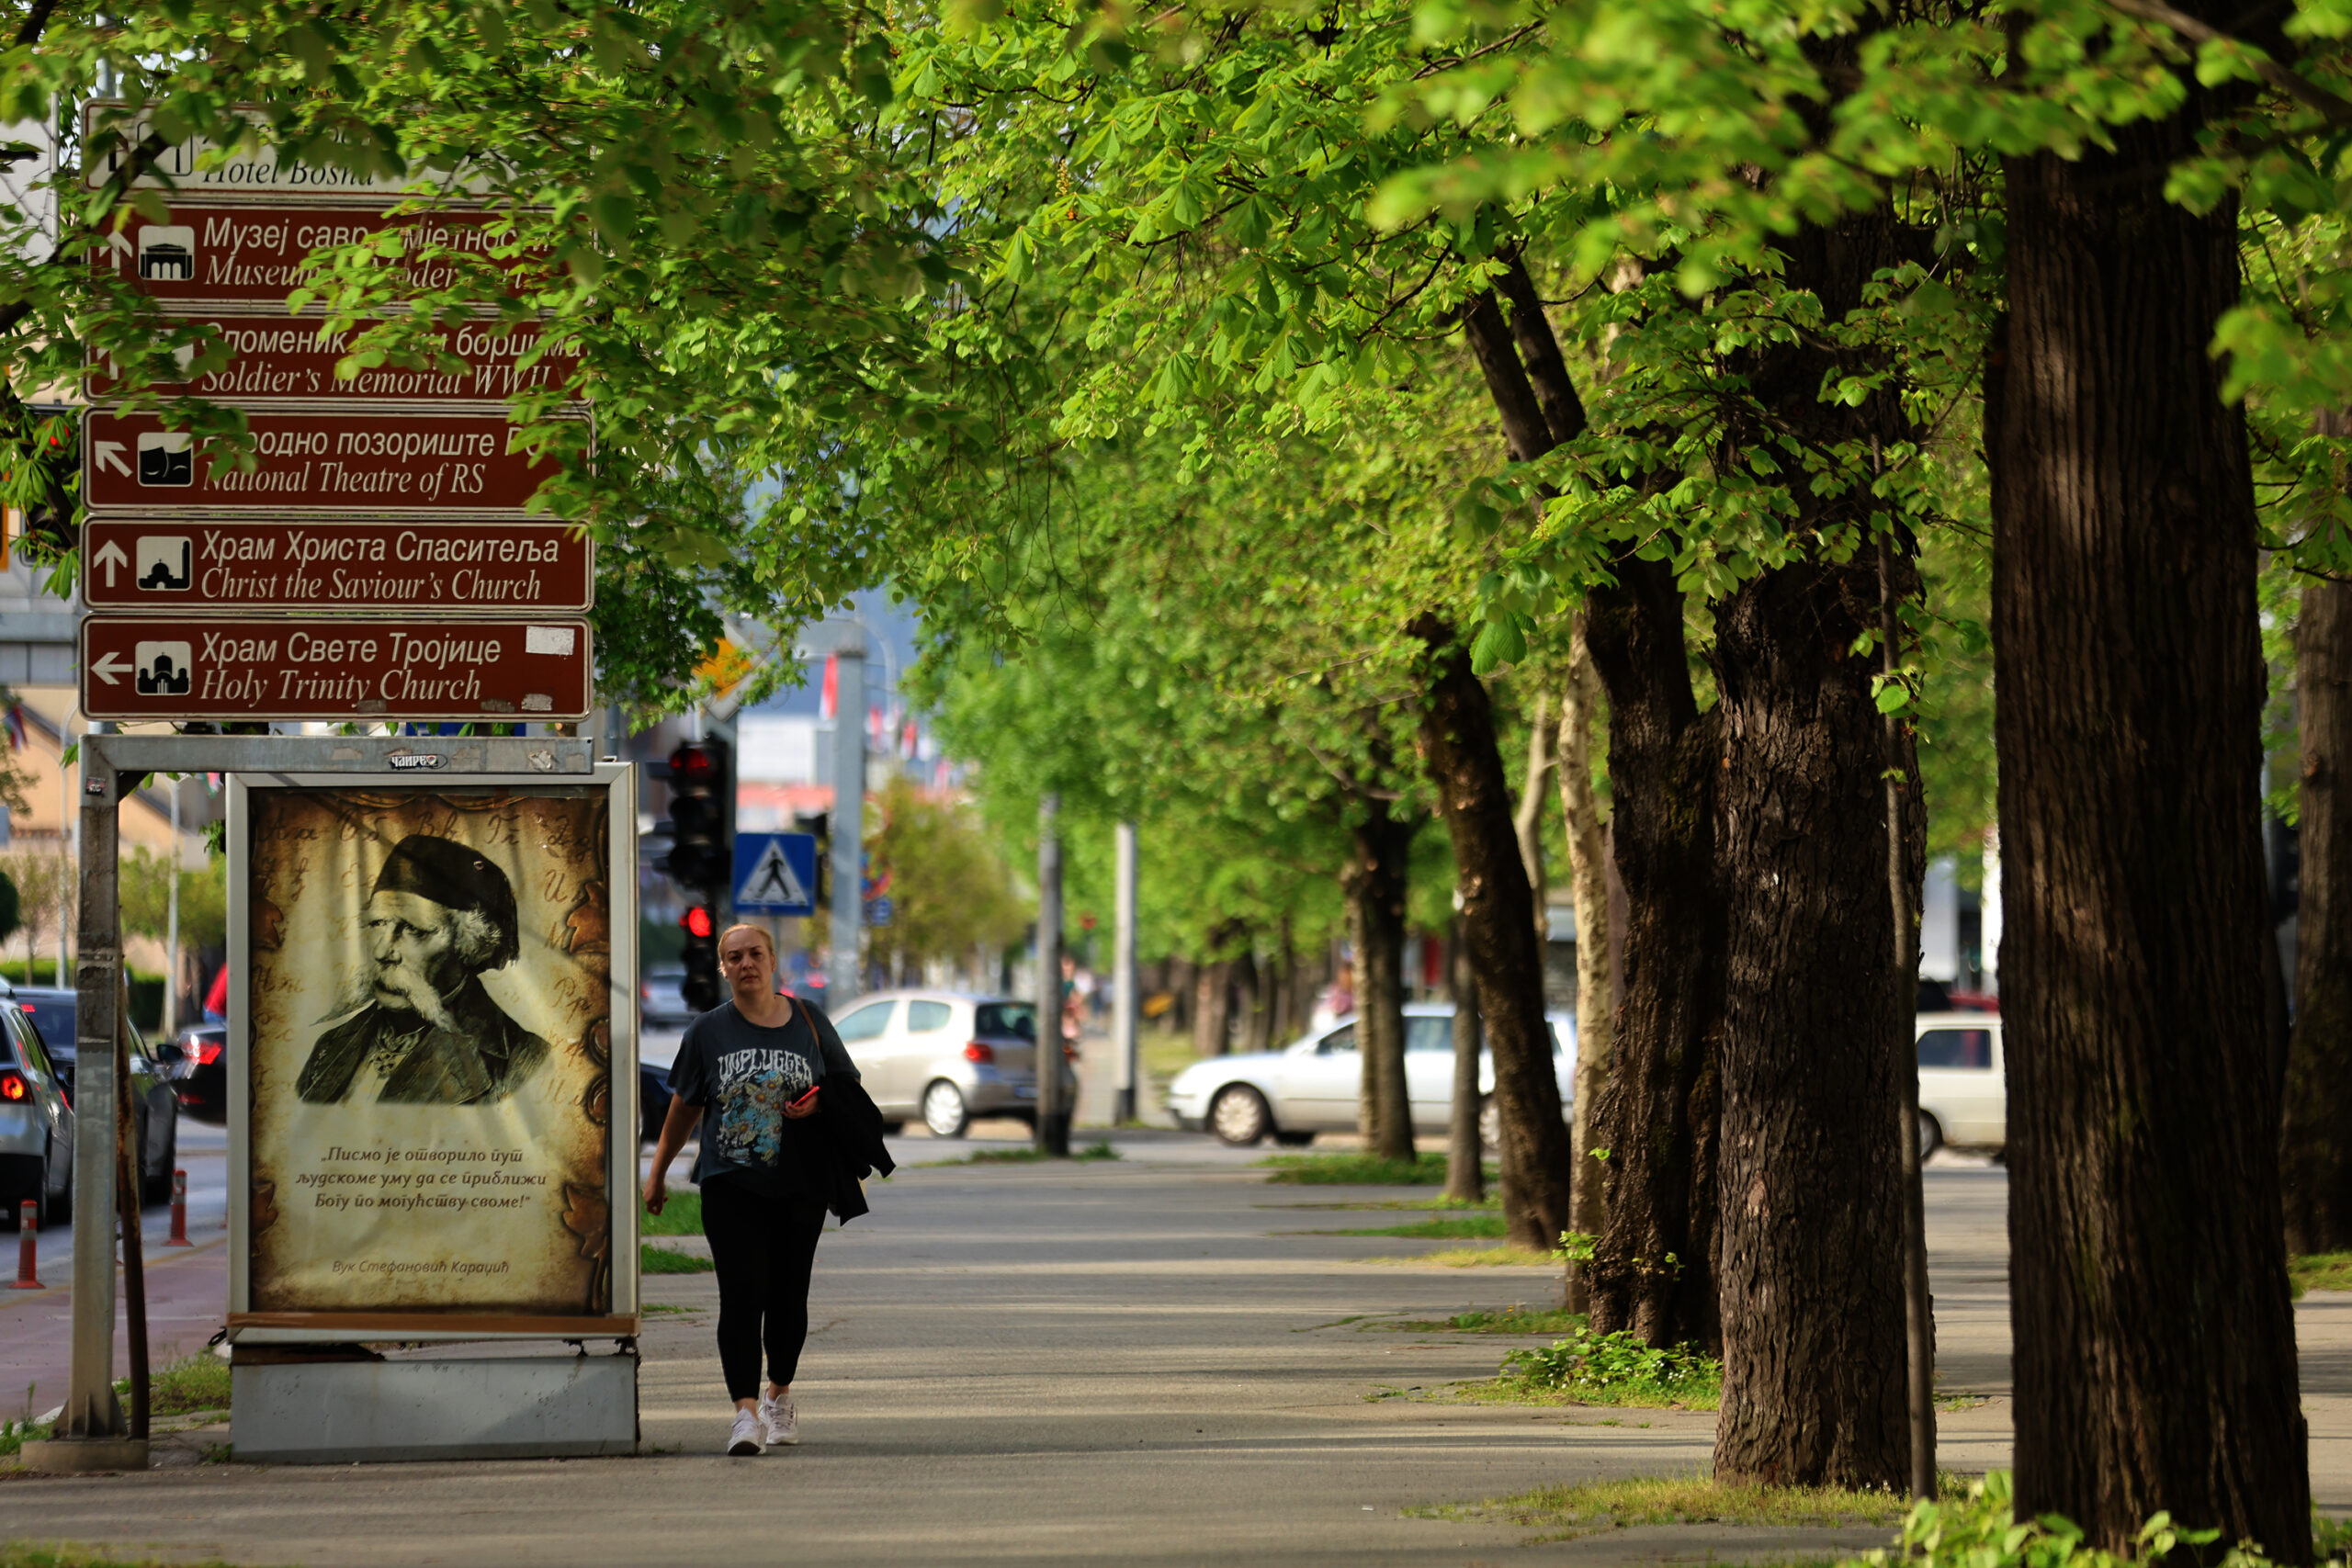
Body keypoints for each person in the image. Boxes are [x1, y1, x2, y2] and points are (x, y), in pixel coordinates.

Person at [644, 923, 880, 1456]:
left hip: (800, 1184)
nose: (745, 963)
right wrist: (658, 1173)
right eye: (734, 957)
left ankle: (779, 1393)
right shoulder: (707, 1032)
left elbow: (845, 1085)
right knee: (741, 1294)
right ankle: (744, 1414)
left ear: (773, 961)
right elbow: (685, 1105)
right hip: (729, 1184)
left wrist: (819, 1103)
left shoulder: (809, 1023)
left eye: (755, 953)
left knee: (789, 1296)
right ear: (723, 968)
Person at [296, 834, 549, 1105]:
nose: (382, 952)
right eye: (378, 923)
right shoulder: (331, 1046)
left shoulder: (522, 1060)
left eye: (413, 929)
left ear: (470, 944)